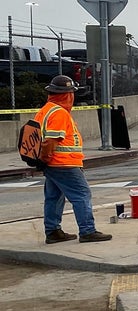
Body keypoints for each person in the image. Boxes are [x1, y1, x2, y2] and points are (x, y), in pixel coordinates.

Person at [36, 75, 112, 243]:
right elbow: (51, 141)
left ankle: (53, 231)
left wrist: (43, 161)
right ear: (67, 95)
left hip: (53, 164)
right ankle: (87, 230)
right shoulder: (59, 113)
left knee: (54, 196)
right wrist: (45, 158)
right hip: (63, 163)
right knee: (82, 194)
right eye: (71, 93)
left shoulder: (45, 110)